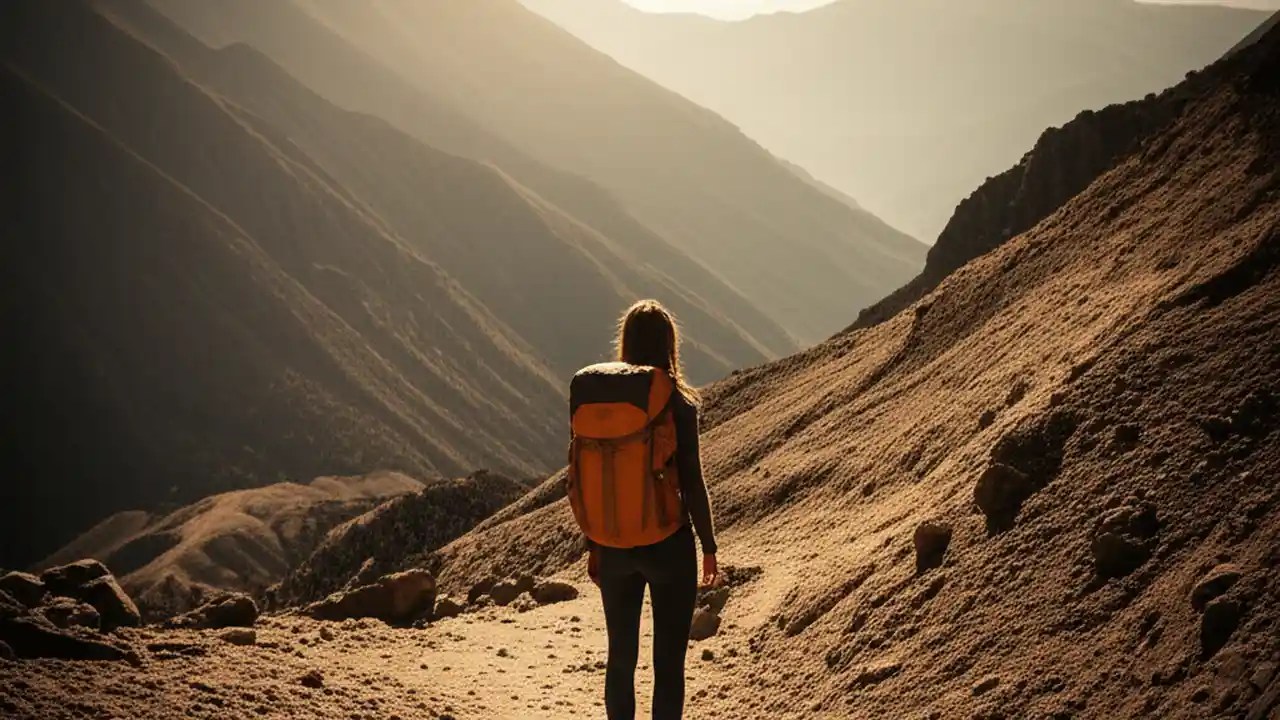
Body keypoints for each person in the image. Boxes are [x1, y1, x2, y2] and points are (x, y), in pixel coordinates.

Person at [576, 299, 719, 720]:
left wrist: (595, 543)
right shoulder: (677, 403)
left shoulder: (598, 403)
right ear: (669, 345)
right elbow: (692, 481)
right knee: (667, 666)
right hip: (667, 544)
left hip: (614, 545)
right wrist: (708, 544)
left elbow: (590, 477)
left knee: (620, 658)